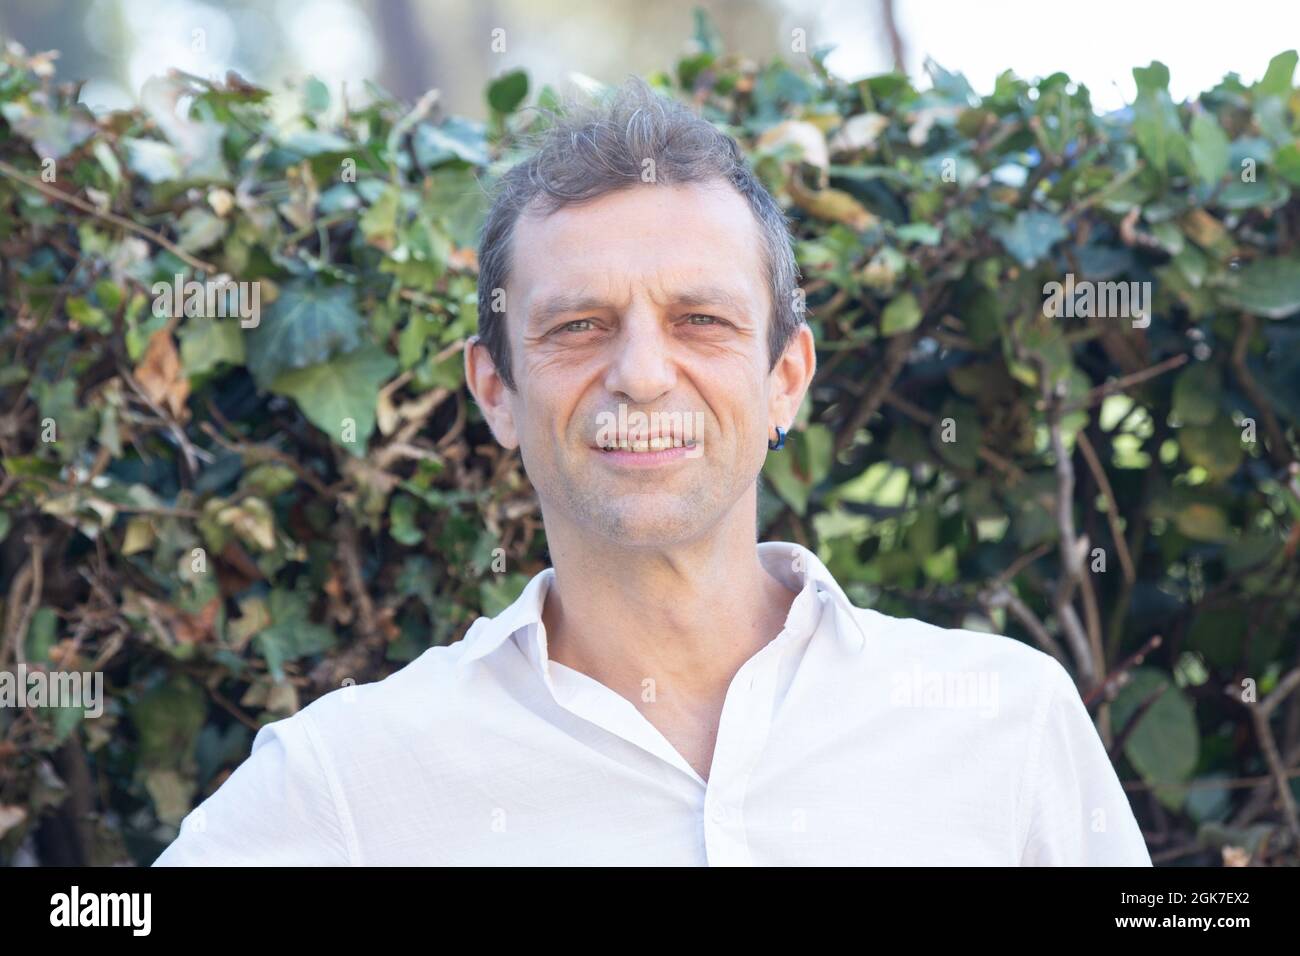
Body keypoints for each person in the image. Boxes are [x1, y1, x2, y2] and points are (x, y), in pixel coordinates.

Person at [154, 76, 1151, 866]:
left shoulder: (1006, 720)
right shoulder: (349, 775)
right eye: (578, 325)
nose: (638, 373)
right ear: (496, 390)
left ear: (784, 380)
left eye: (700, 321)